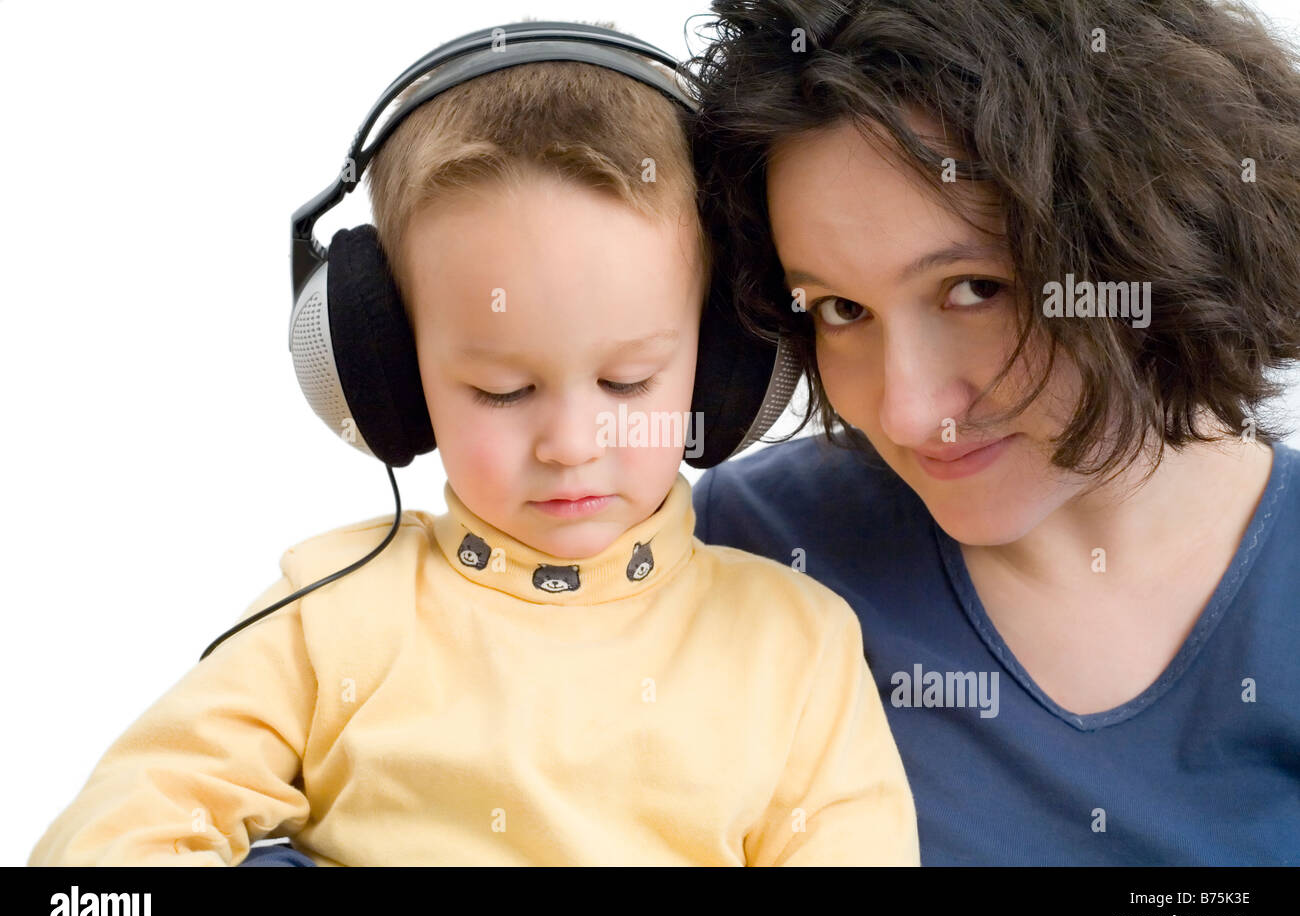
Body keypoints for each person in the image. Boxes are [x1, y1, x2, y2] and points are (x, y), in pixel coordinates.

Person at [27, 46, 918, 866]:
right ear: (390, 376)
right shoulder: (328, 613)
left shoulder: (797, 651)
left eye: (629, 380)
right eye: (502, 391)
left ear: (723, 357)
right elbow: (102, 852)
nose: (572, 446)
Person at [687, 0, 1300, 864]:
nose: (905, 410)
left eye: (976, 288)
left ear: (1153, 245)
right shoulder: (745, 546)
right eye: (841, 308)